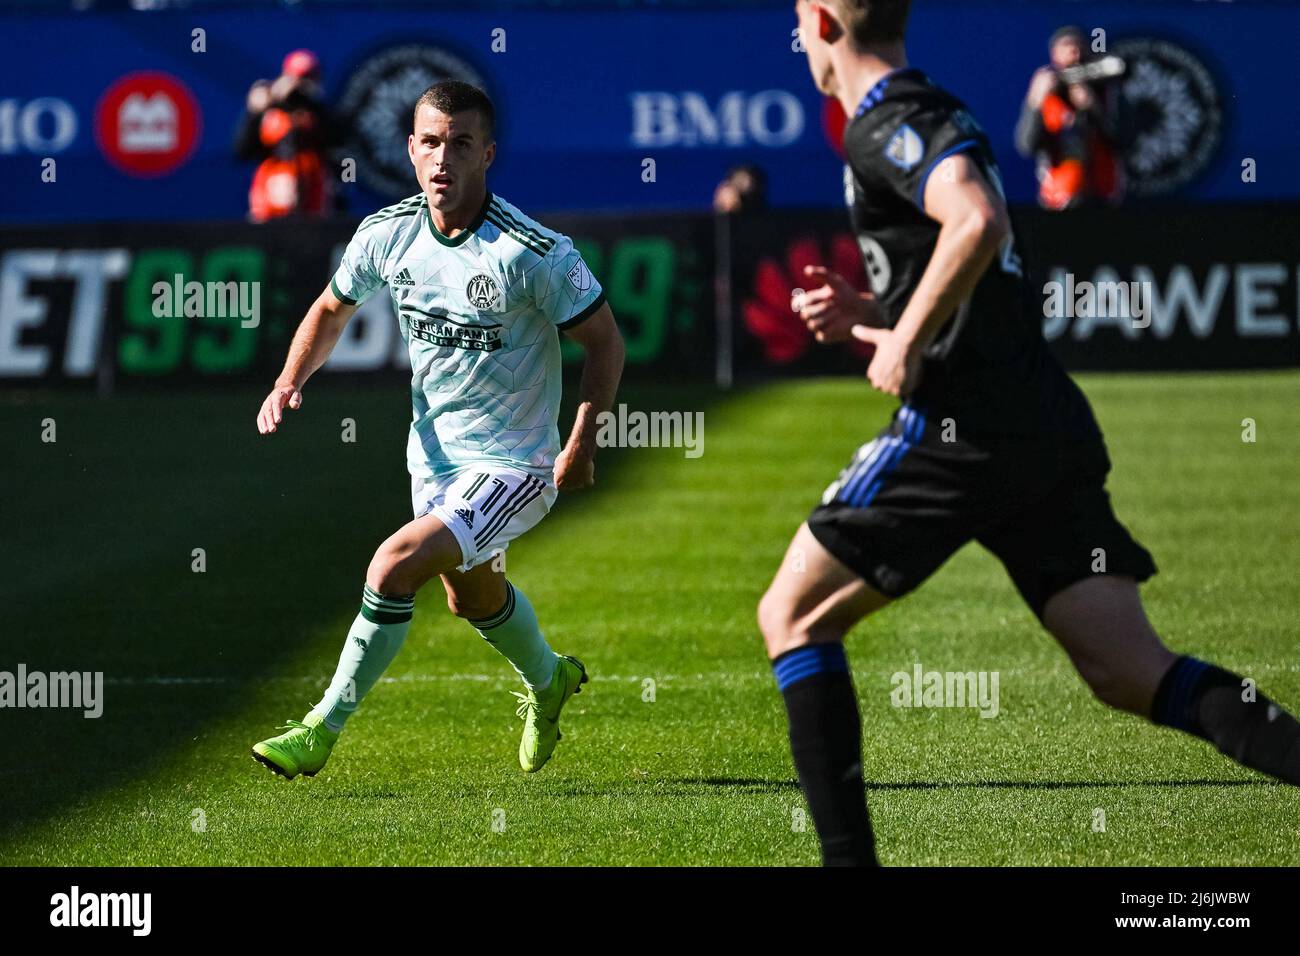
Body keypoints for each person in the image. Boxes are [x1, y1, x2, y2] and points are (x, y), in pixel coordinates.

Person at [763, 0, 1300, 865]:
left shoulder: (889, 120)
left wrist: (902, 340)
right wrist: (876, 312)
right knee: (1132, 672)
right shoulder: (927, 106)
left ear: (823, 23)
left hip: (963, 429)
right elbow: (972, 252)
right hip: (1036, 422)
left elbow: (975, 218)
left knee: (792, 616)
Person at [249, 81, 624, 779]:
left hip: (516, 462)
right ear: (411, 150)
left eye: (459, 144)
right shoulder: (387, 232)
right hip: (436, 460)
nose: (442, 157)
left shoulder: (530, 252)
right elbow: (332, 308)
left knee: (393, 566)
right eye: (429, 142)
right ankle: (551, 681)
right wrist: (288, 380)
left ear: (487, 153)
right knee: (470, 597)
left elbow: (604, 341)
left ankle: (319, 729)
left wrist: (582, 443)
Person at [1015, 26, 1124, 209]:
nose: (1074, 52)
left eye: (1079, 46)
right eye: (1067, 46)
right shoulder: (1045, 96)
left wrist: (1092, 107)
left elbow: (1123, 140)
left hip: (1103, 198)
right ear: (1054, 54)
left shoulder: (1106, 94)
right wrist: (1034, 103)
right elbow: (1027, 146)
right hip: (1058, 198)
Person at [234, 49, 340, 221]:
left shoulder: (318, 110)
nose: (300, 86)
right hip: (271, 194)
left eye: (308, 79)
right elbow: (242, 151)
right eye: (297, 78)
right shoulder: (271, 107)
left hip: (311, 193)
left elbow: (337, 142)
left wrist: (314, 104)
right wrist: (254, 112)